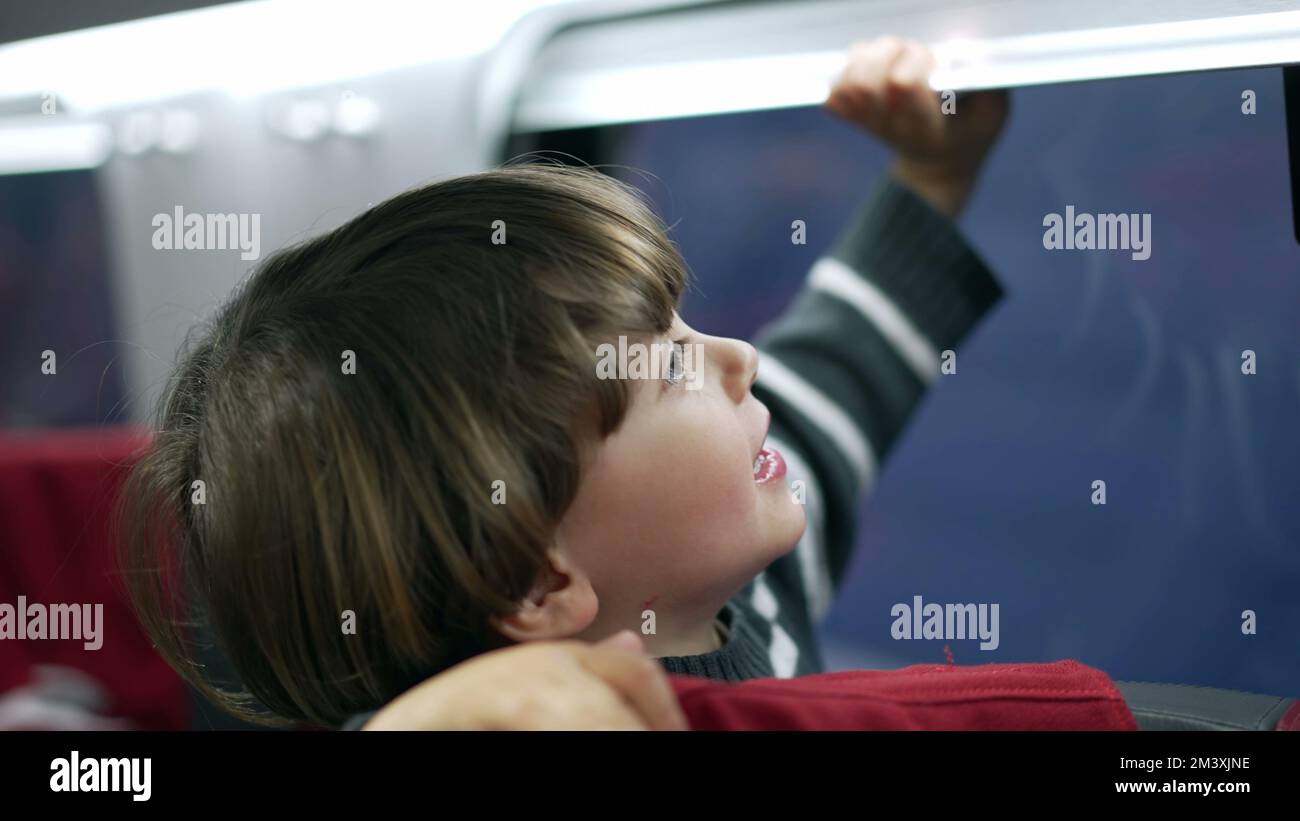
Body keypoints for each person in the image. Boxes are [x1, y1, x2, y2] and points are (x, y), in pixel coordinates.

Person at [118, 37, 1009, 729]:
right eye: (672, 367)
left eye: (682, 329)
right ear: (541, 582)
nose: (741, 357)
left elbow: (844, 361)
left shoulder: (748, 573)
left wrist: (934, 173)